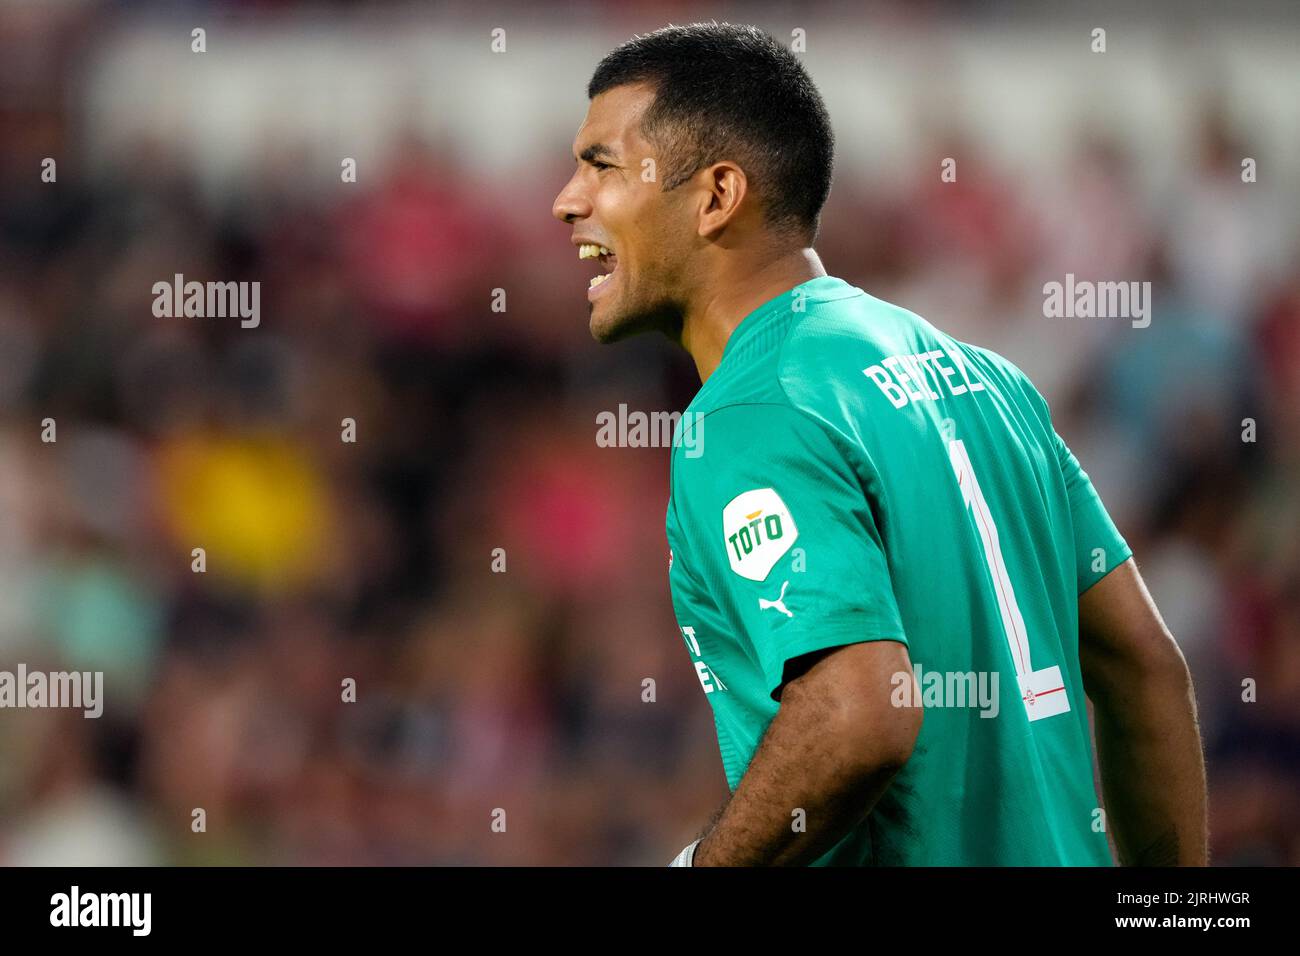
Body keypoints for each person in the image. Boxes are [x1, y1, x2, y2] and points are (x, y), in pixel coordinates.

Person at [551, 22, 1207, 866]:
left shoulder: (754, 412)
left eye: (602, 165)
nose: (567, 199)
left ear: (716, 197)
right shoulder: (985, 379)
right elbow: (1145, 665)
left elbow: (861, 714)